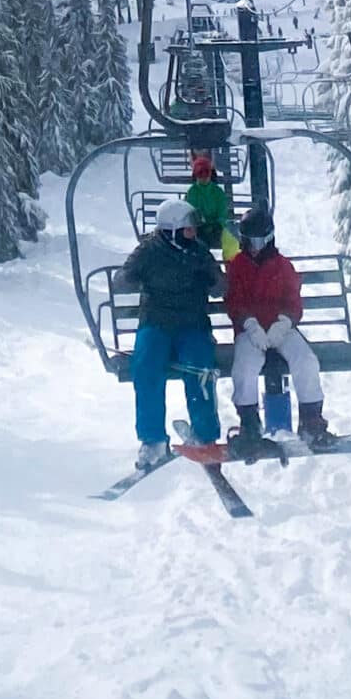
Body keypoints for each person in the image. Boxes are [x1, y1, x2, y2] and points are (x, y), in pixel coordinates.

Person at [113, 197, 225, 469]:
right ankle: (152, 440)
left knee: (199, 368)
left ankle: (205, 435)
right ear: (171, 230)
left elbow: (220, 286)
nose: (193, 234)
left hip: (192, 323)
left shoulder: (198, 252)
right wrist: (133, 278)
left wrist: (211, 278)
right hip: (157, 321)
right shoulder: (149, 251)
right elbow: (122, 279)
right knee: (146, 367)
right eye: (188, 229)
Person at [223, 208, 332, 452]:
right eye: (248, 240)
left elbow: (293, 301)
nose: (253, 247)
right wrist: (249, 324)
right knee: (244, 367)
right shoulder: (238, 267)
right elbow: (234, 301)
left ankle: (311, 421)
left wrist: (284, 323)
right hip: (250, 332)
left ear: (270, 238)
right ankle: (250, 425)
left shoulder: (282, 267)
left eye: (259, 241)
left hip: (280, 329)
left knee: (306, 361)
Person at [184, 153, 238, 261]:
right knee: (193, 243)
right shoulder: (192, 193)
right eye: (200, 174)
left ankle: (232, 268)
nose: (204, 177)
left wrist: (217, 225)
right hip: (199, 229)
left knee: (231, 241)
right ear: (195, 175)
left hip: (216, 229)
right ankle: (197, 266)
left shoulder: (218, 192)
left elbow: (222, 212)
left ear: (210, 174)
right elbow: (191, 211)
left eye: (206, 173)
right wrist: (199, 225)